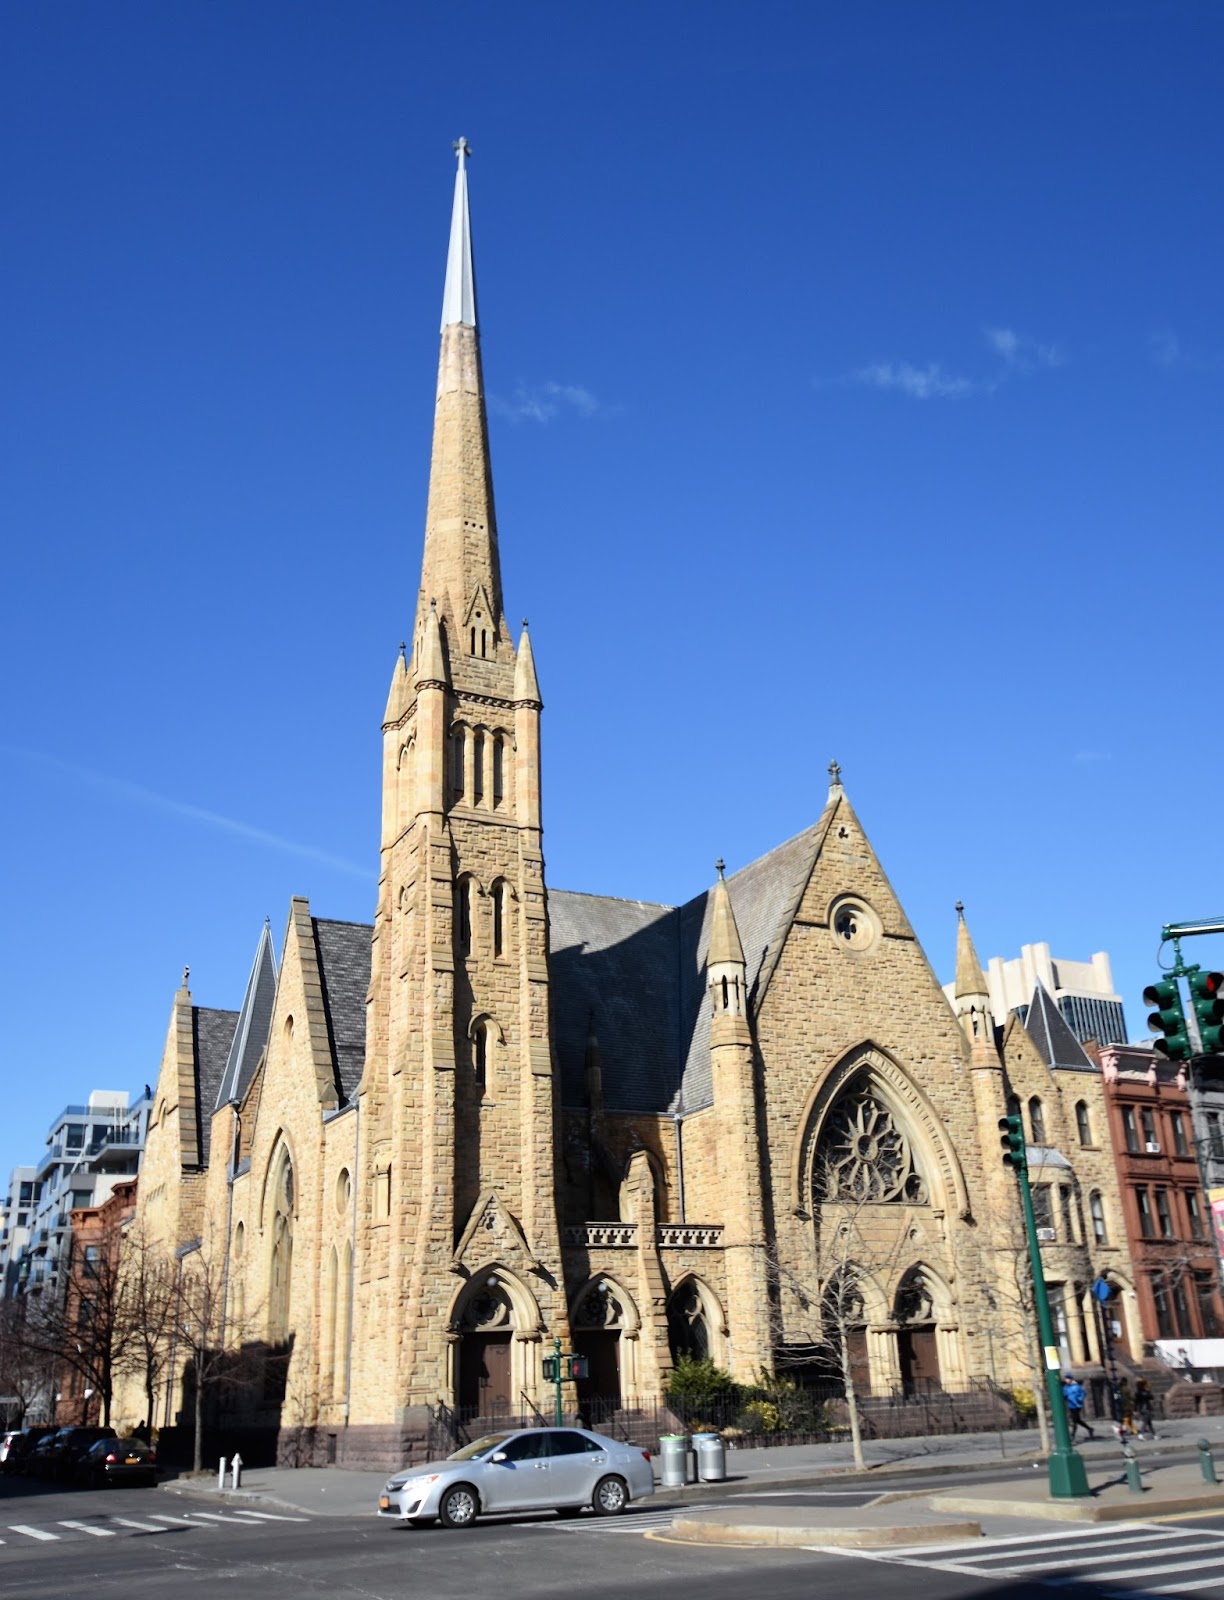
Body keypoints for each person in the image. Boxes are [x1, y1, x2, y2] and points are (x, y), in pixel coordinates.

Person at [1062, 1374, 1095, 1440]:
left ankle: (1072, 1435)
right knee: (1077, 1420)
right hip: (1071, 1405)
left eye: (1067, 1379)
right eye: (1065, 1379)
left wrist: (1080, 1399)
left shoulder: (1076, 1386)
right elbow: (1064, 1395)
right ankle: (1089, 1429)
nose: (1066, 1380)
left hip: (1077, 1405)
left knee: (1074, 1420)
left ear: (1070, 1379)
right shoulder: (1065, 1387)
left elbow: (1082, 1393)